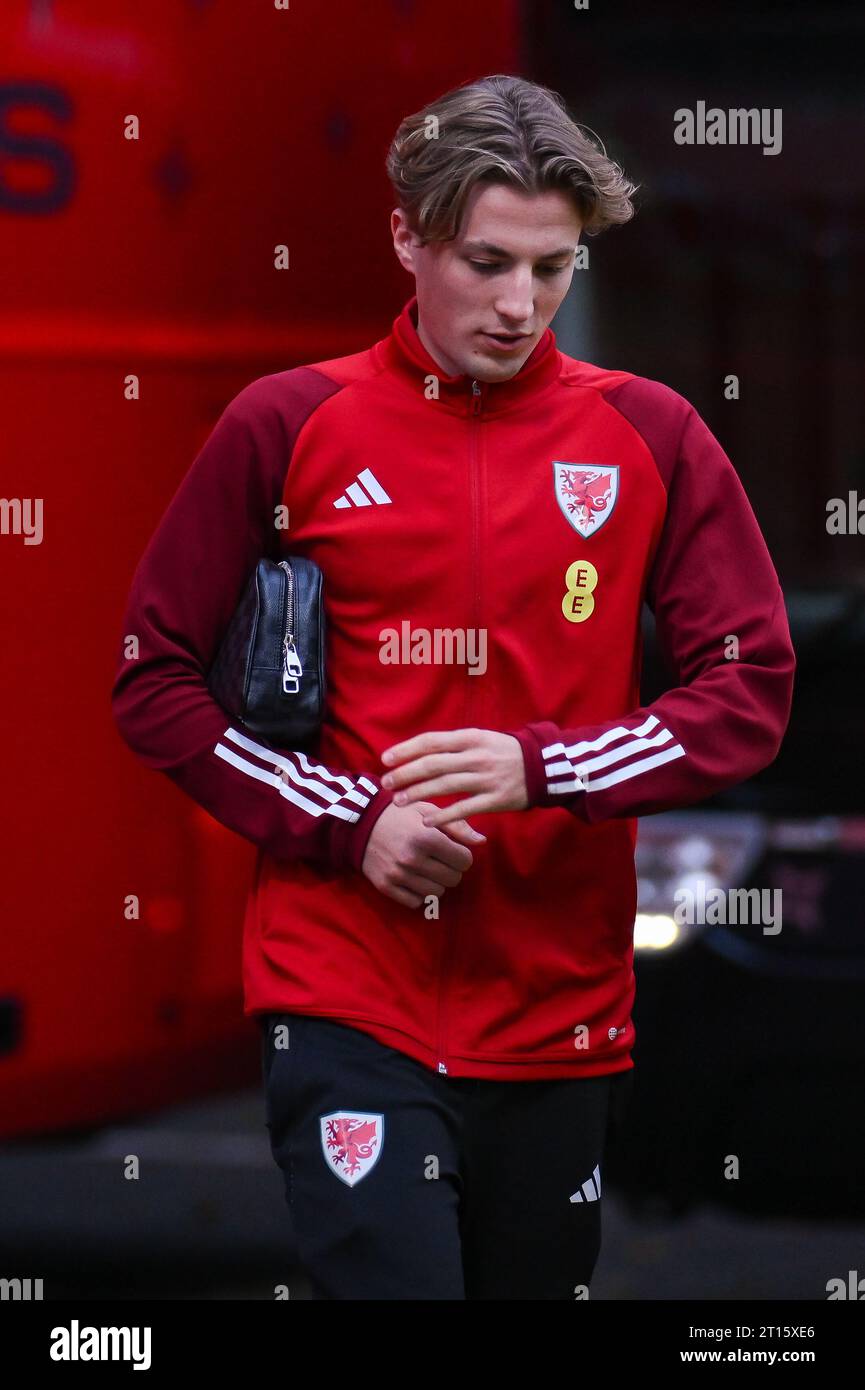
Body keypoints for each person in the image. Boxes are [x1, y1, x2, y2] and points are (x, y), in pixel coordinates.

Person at [111, 73, 796, 1299]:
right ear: (405, 237)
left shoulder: (655, 434)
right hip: (344, 989)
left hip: (558, 1003)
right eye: (487, 261)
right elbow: (154, 681)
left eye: (553, 266)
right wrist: (351, 821)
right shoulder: (287, 422)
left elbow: (746, 686)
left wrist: (549, 767)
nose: (521, 303)